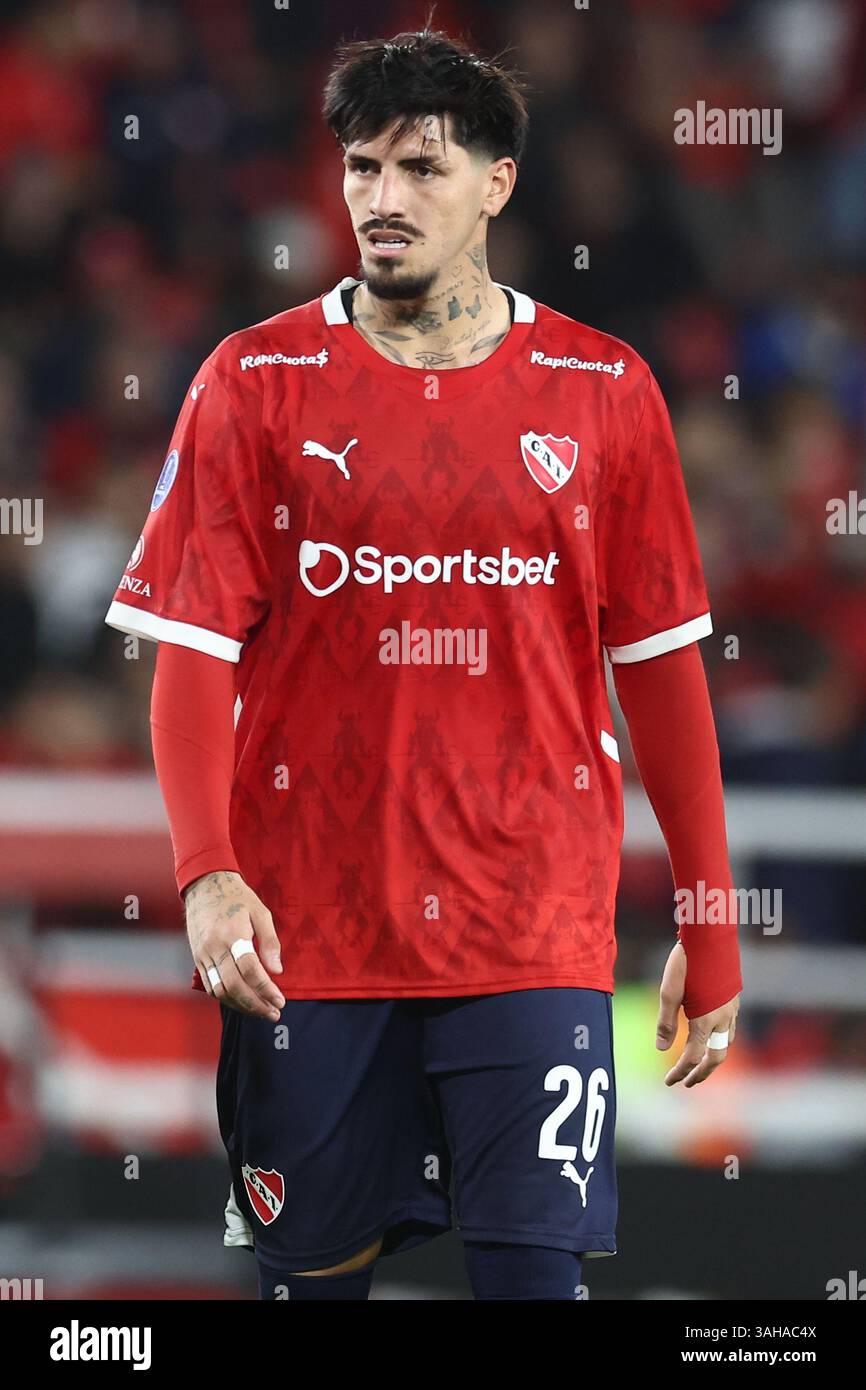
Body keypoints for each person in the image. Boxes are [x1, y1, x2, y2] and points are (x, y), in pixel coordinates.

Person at [104, 26, 741, 1301]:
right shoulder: (252, 383)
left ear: (497, 184)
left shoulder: (601, 392)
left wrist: (709, 920)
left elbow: (662, 671)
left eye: (420, 169)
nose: (382, 201)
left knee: (531, 1282)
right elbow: (190, 654)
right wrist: (207, 871)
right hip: (312, 936)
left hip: (532, 930)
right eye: (360, 169)